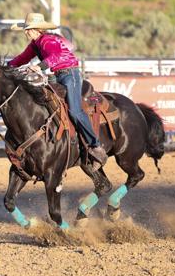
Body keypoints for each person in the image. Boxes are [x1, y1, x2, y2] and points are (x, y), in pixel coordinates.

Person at [7, 12, 108, 169]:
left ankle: (96, 145)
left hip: (69, 74)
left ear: (36, 30)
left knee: (75, 110)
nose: (26, 32)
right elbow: (22, 58)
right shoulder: (36, 44)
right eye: (26, 29)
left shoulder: (47, 40)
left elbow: (56, 56)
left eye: (28, 29)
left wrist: (39, 66)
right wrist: (5, 68)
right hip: (58, 76)